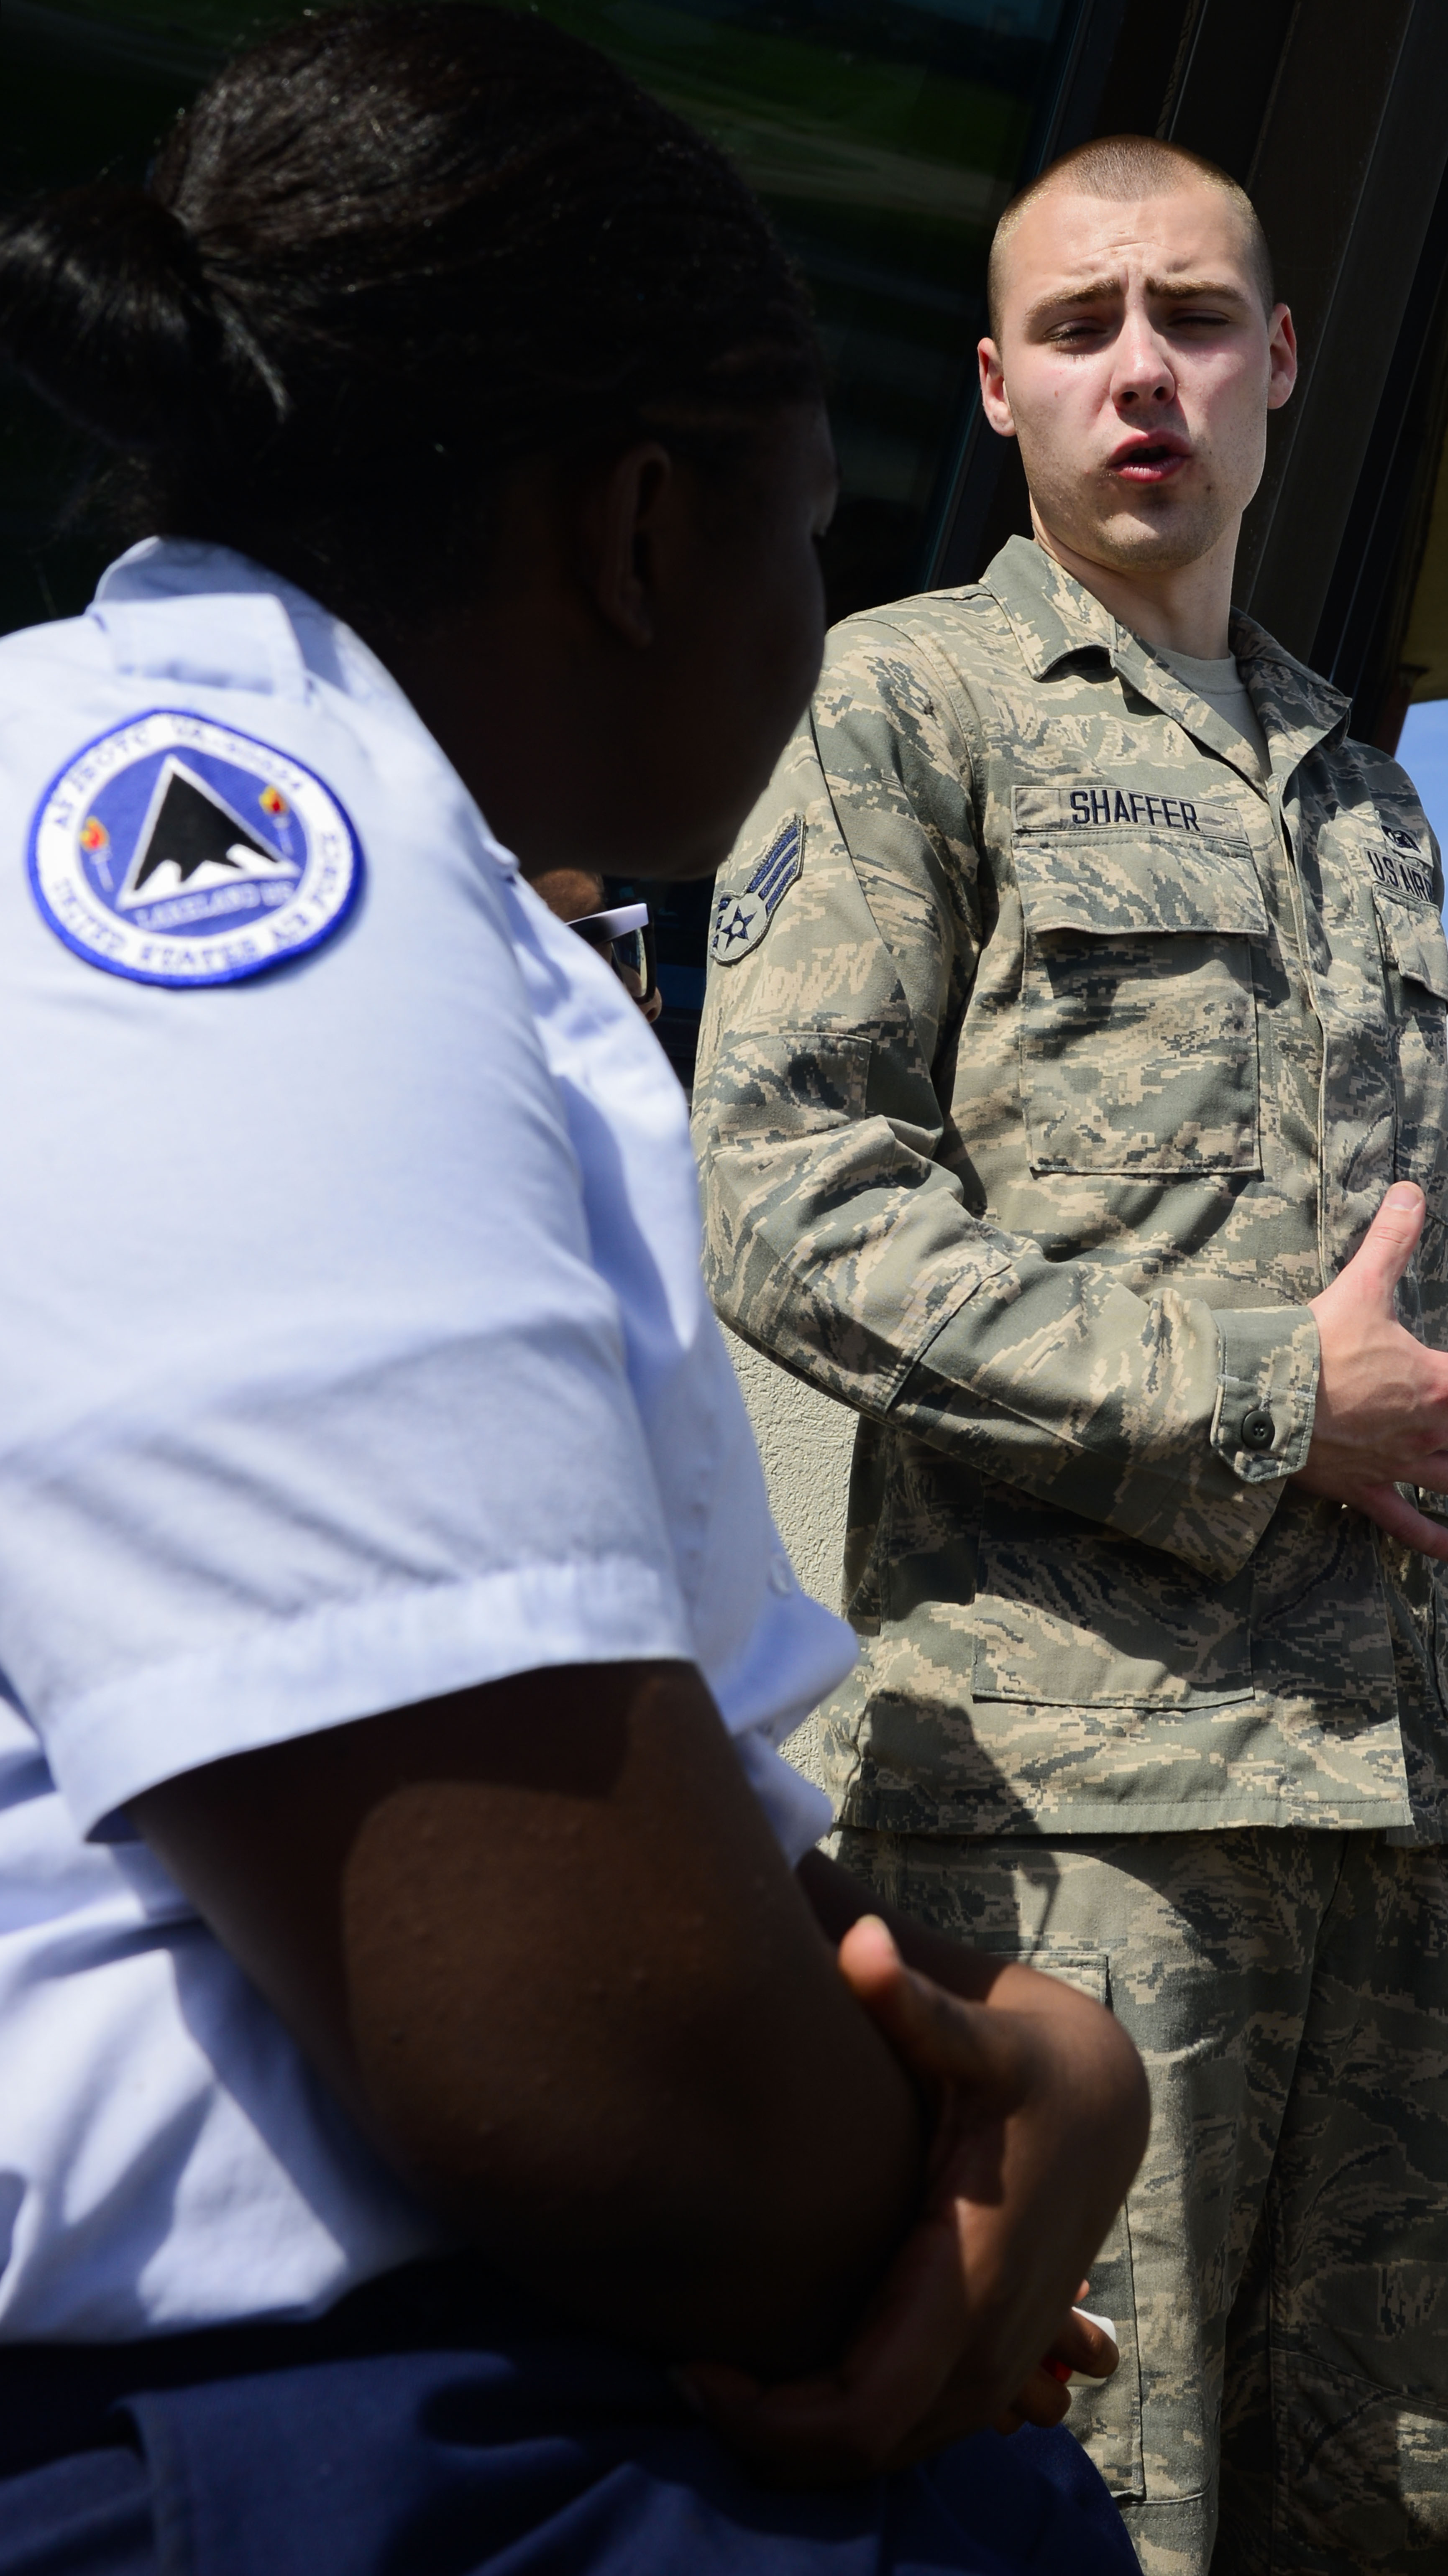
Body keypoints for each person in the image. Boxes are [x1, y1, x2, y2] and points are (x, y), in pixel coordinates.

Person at [0, 15, 1153, 2569]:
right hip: (301, 2443)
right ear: (643, 531)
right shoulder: (215, 851)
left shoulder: (342, 850)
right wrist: (964, 2173)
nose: (809, 619)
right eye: (809, 535)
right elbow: (583, 2065)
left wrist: (1047, 2072)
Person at [693, 133, 1448, 2575]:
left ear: (1276, 364)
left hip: (1404, 1817)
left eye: (1195, 318)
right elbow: (789, 1203)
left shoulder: (1364, 788)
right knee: (1098, 2510)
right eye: (1085, 326)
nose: (1145, 372)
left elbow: (1434, 1289)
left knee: (1411, 2504)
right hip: (1072, 1818)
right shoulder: (895, 702)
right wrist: (1252, 1403)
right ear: (996, 385)